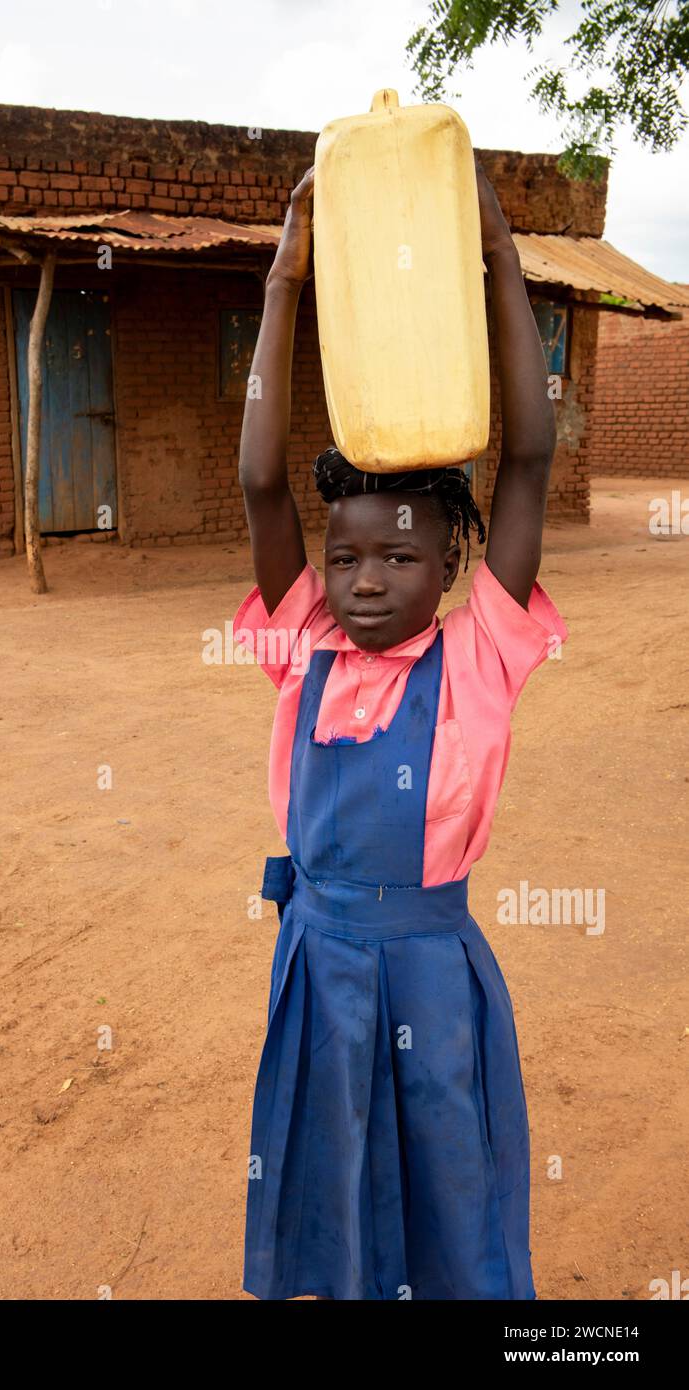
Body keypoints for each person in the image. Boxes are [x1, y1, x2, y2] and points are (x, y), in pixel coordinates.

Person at [234, 160, 567, 1301]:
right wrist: (285, 281)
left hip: (430, 971)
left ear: (453, 562)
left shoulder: (479, 656)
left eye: (400, 556)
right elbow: (259, 483)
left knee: (447, 1197)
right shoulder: (305, 643)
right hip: (316, 965)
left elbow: (526, 456)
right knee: (329, 1191)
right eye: (347, 556)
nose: (365, 581)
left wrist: (498, 258)